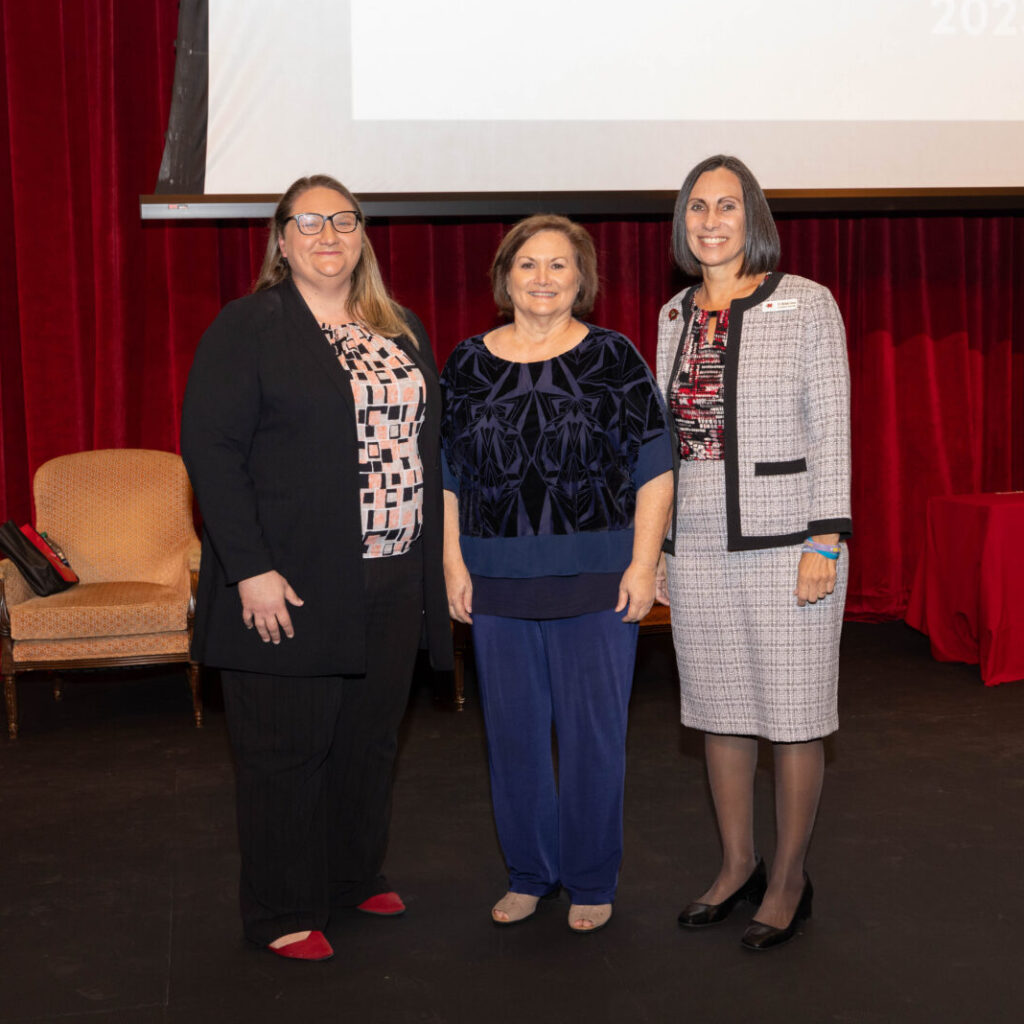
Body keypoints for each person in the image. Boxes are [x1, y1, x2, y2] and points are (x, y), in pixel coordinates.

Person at [180, 174, 452, 961]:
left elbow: (423, 450)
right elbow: (214, 453)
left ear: (363, 234)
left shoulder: (401, 330)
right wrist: (249, 570)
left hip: (394, 574)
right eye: (308, 222)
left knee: (368, 743)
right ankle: (282, 909)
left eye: (343, 220)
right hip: (290, 583)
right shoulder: (249, 327)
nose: (327, 235)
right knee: (285, 751)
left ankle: (350, 876)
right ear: (281, 239)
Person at [441, 215, 674, 933]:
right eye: (528, 265)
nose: (543, 278)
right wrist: (451, 563)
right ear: (505, 276)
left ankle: (592, 878)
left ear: (583, 280)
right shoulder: (466, 362)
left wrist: (643, 562)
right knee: (511, 737)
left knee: (592, 736)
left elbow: (656, 467)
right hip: (497, 580)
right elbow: (446, 475)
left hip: (597, 578)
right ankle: (530, 873)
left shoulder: (614, 357)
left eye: (560, 266)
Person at [655, 155, 851, 950]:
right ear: (682, 222)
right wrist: (662, 546)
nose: (711, 221)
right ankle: (737, 865)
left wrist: (826, 540)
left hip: (790, 543)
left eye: (726, 206)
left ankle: (789, 879)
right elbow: (666, 442)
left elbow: (831, 423)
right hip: (698, 542)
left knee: (794, 717)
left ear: (753, 217)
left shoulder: (806, 303)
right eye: (697, 207)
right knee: (718, 710)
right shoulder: (673, 316)